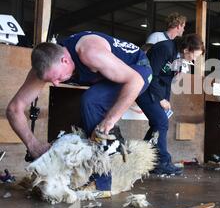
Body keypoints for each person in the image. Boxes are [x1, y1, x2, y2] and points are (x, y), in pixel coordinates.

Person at [6, 31, 153, 192]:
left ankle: (103, 183)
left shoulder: (90, 52)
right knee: (82, 107)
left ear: (64, 60)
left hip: (137, 68)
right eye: (50, 80)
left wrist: (110, 120)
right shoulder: (44, 67)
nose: (55, 83)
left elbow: (135, 80)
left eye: (56, 77)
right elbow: (14, 109)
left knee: (91, 101)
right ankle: (110, 155)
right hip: (110, 74)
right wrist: (33, 145)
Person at [139, 34, 204, 175]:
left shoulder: (178, 55)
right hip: (144, 87)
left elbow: (167, 79)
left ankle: (141, 157)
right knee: (161, 122)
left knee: (158, 123)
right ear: (187, 49)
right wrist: (160, 98)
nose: (195, 59)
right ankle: (162, 162)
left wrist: (166, 98)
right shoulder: (164, 48)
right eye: (195, 55)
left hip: (159, 90)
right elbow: (152, 74)